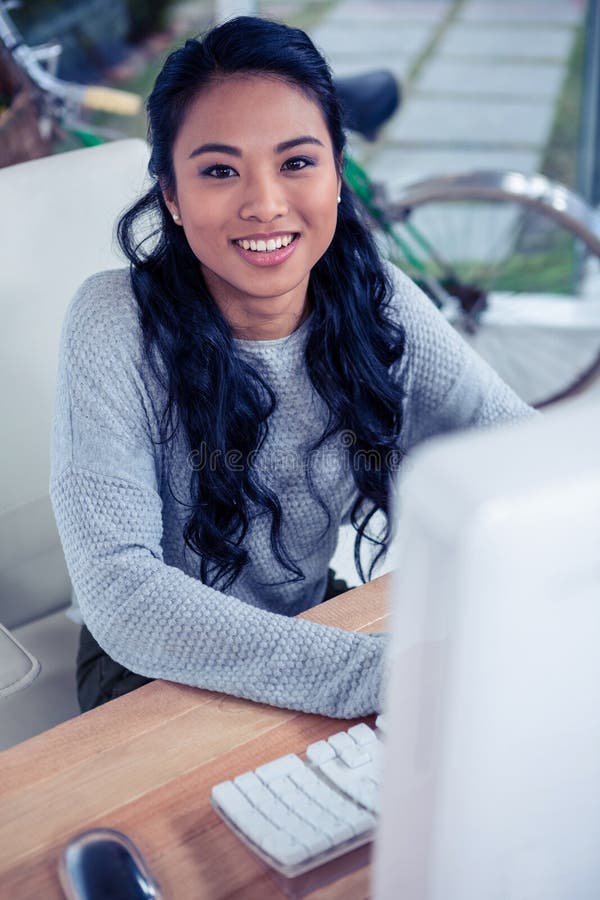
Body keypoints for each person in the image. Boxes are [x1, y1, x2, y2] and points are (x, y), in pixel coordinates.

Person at [50, 16, 533, 716]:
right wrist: (375, 677)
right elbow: (123, 593)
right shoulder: (112, 320)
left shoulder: (378, 300)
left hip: (305, 626)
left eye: (297, 162)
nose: (265, 204)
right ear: (172, 197)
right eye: (219, 171)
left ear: (337, 173)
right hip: (148, 669)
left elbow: (517, 445)